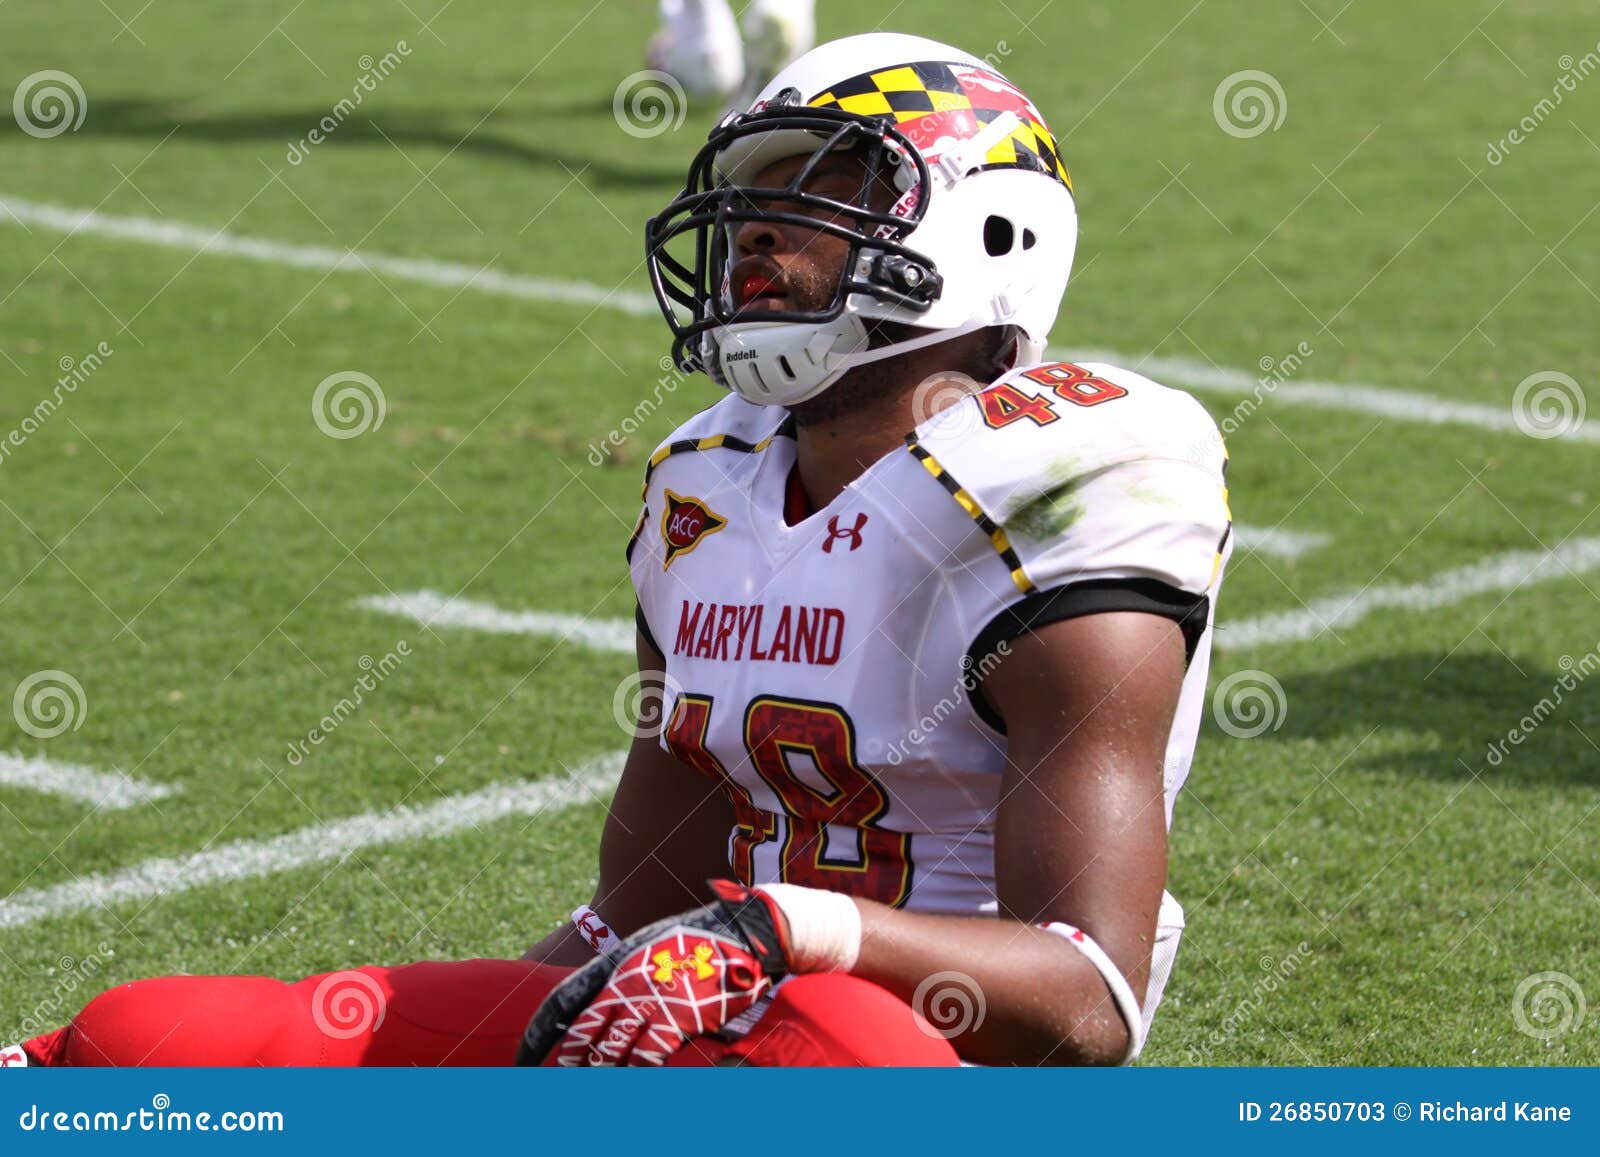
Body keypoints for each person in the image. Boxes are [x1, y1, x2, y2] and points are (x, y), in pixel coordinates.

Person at [7, 31, 1231, 1069]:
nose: (757, 232)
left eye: (821, 190)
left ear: (993, 231)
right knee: (153, 1040)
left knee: (828, 1048)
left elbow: (1088, 997)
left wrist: (782, 933)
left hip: (920, 1060)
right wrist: (499, 1042)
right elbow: (639, 905)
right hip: (719, 1006)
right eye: (751, 196)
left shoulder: (1059, 494)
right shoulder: (703, 490)